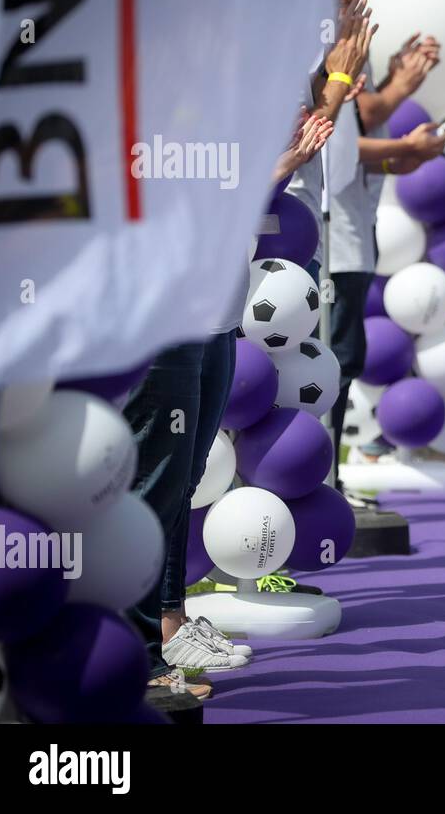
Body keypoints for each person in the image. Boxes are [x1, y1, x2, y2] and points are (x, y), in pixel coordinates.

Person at [133, 111, 333, 702]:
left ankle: (167, 629)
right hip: (167, 315)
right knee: (154, 485)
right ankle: (140, 654)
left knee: (182, 480)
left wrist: (282, 164)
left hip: (218, 316)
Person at [289, 0, 445, 505]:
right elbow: (313, 131)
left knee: (341, 358)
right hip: (312, 226)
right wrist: (401, 117)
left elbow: (350, 132)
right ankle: (303, 483)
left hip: (348, 226)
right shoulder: (298, 40)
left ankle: (322, 480)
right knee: (314, 363)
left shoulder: (347, 35)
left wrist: (400, 145)